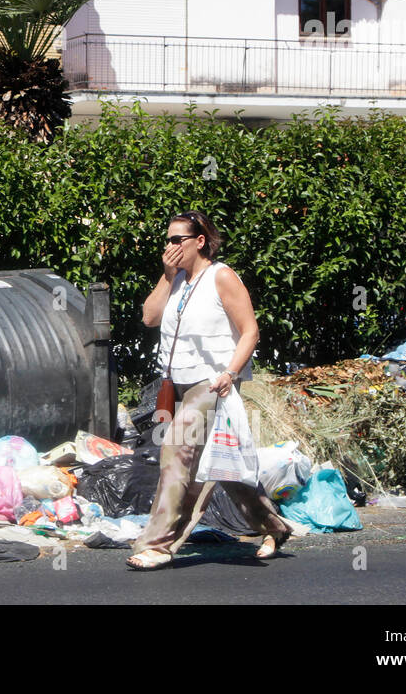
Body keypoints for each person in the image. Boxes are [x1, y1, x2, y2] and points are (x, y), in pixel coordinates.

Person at [125, 210, 292, 571]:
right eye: (166, 240)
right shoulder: (178, 281)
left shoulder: (222, 276)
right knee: (221, 465)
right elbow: (149, 317)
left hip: (212, 382)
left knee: (176, 450)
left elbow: (250, 330)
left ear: (199, 241)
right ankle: (273, 527)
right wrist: (167, 276)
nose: (170, 247)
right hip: (178, 383)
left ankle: (157, 544)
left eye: (177, 240)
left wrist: (231, 372)